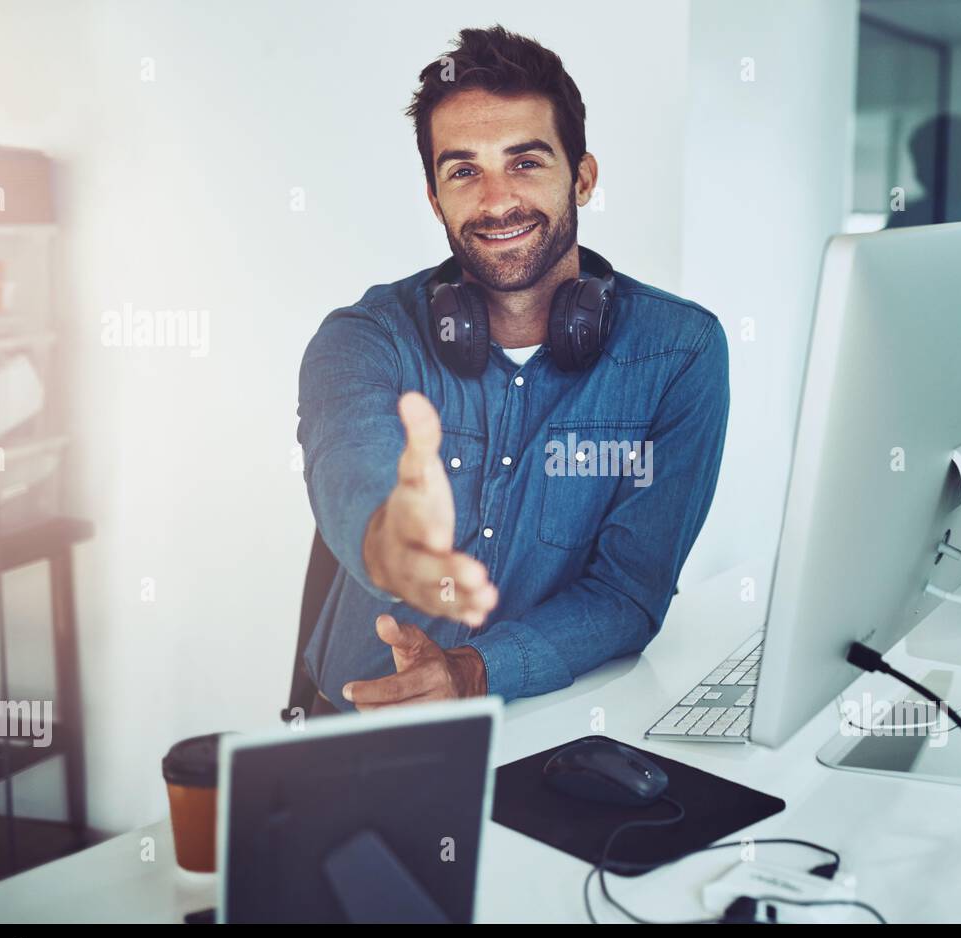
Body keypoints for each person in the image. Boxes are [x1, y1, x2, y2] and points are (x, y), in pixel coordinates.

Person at [296, 26, 729, 713]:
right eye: (464, 171)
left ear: (582, 177)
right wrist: (391, 541)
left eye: (525, 162)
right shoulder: (362, 339)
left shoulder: (680, 353)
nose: (497, 201)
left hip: (553, 724)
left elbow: (627, 593)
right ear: (435, 198)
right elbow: (348, 454)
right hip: (356, 727)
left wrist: (474, 670)